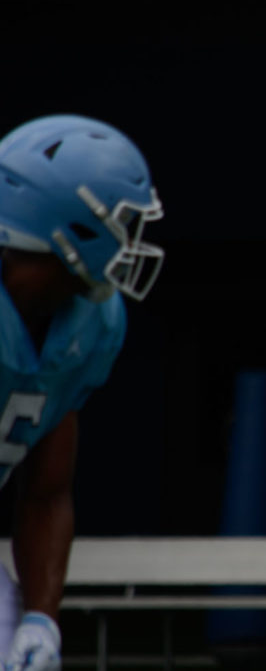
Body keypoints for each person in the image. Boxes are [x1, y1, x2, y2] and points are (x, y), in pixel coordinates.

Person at [0, 114, 165, 670]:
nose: (132, 242)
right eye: (121, 223)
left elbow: (46, 489)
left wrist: (41, 616)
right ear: (67, 225)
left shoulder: (92, 324)